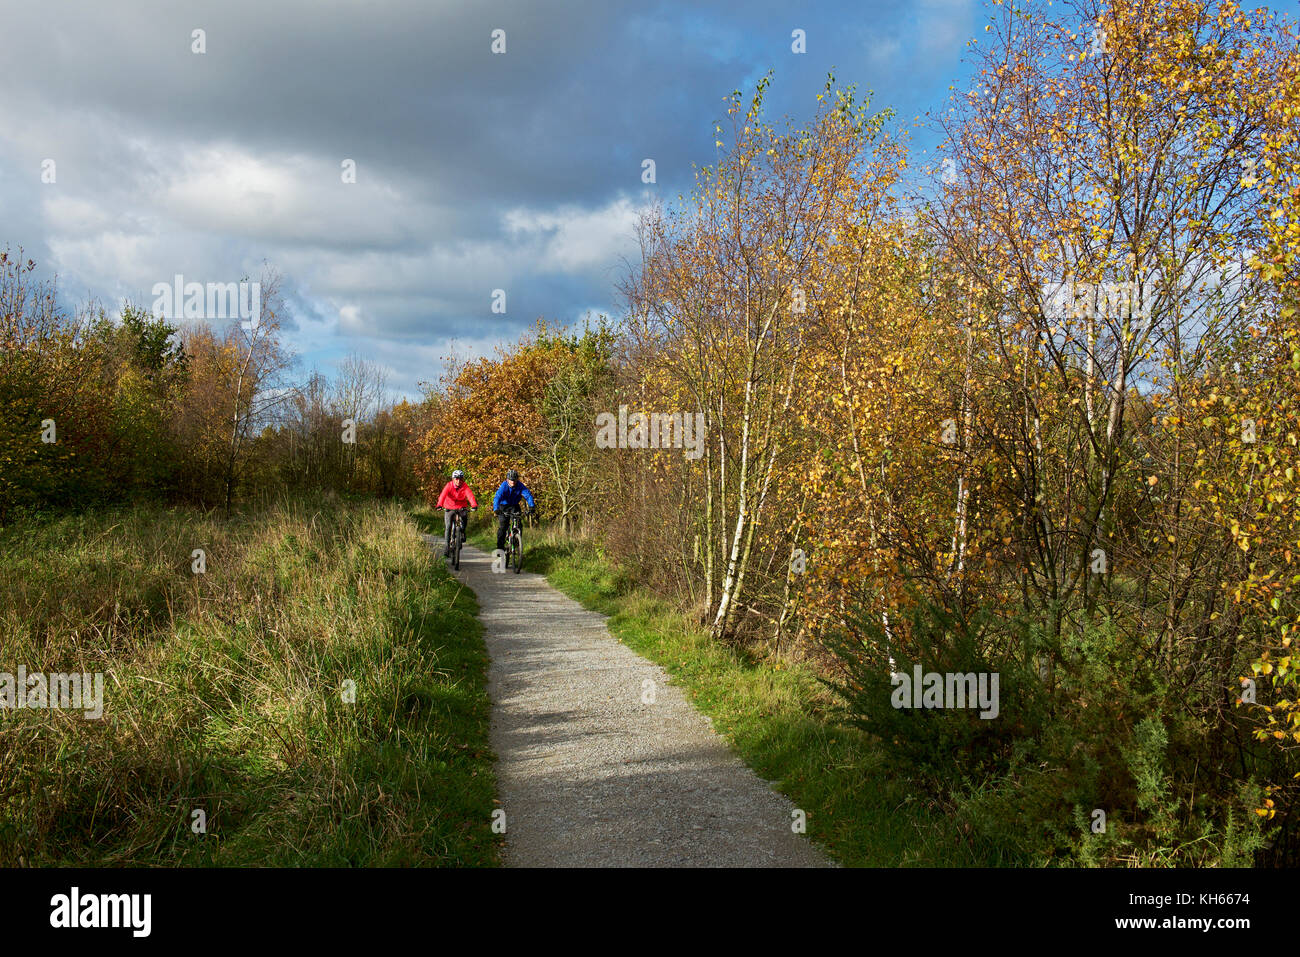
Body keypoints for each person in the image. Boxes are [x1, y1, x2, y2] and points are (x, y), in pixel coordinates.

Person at [436, 469, 478, 556]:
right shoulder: (449, 486)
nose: (458, 481)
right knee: (448, 526)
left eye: (460, 479)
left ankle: (462, 532)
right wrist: (439, 505)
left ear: (462, 479)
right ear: (453, 479)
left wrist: (474, 505)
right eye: (456, 478)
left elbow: (470, 495)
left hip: (461, 507)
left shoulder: (465, 486)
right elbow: (442, 495)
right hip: (449, 507)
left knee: (465, 518)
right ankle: (447, 546)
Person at [492, 469, 535, 552]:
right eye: (511, 480)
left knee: (519, 524)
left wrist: (532, 506)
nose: (513, 482)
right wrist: (496, 509)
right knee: (503, 527)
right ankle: (500, 547)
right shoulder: (504, 486)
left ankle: (516, 542)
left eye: (514, 480)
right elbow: (497, 497)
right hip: (503, 506)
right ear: (507, 479)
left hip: (514, 506)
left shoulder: (520, 485)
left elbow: (528, 495)